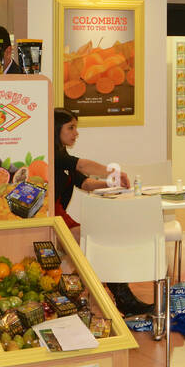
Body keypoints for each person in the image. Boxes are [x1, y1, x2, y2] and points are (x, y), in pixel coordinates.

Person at [53, 108, 149, 316]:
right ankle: (120, 298)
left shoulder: (63, 156)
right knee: (95, 244)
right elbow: (83, 165)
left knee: (99, 242)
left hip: (60, 216)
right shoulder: (53, 155)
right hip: (51, 218)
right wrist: (113, 171)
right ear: (56, 129)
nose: (75, 133)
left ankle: (117, 297)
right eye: (71, 128)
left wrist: (111, 183)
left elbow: (85, 183)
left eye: (75, 128)